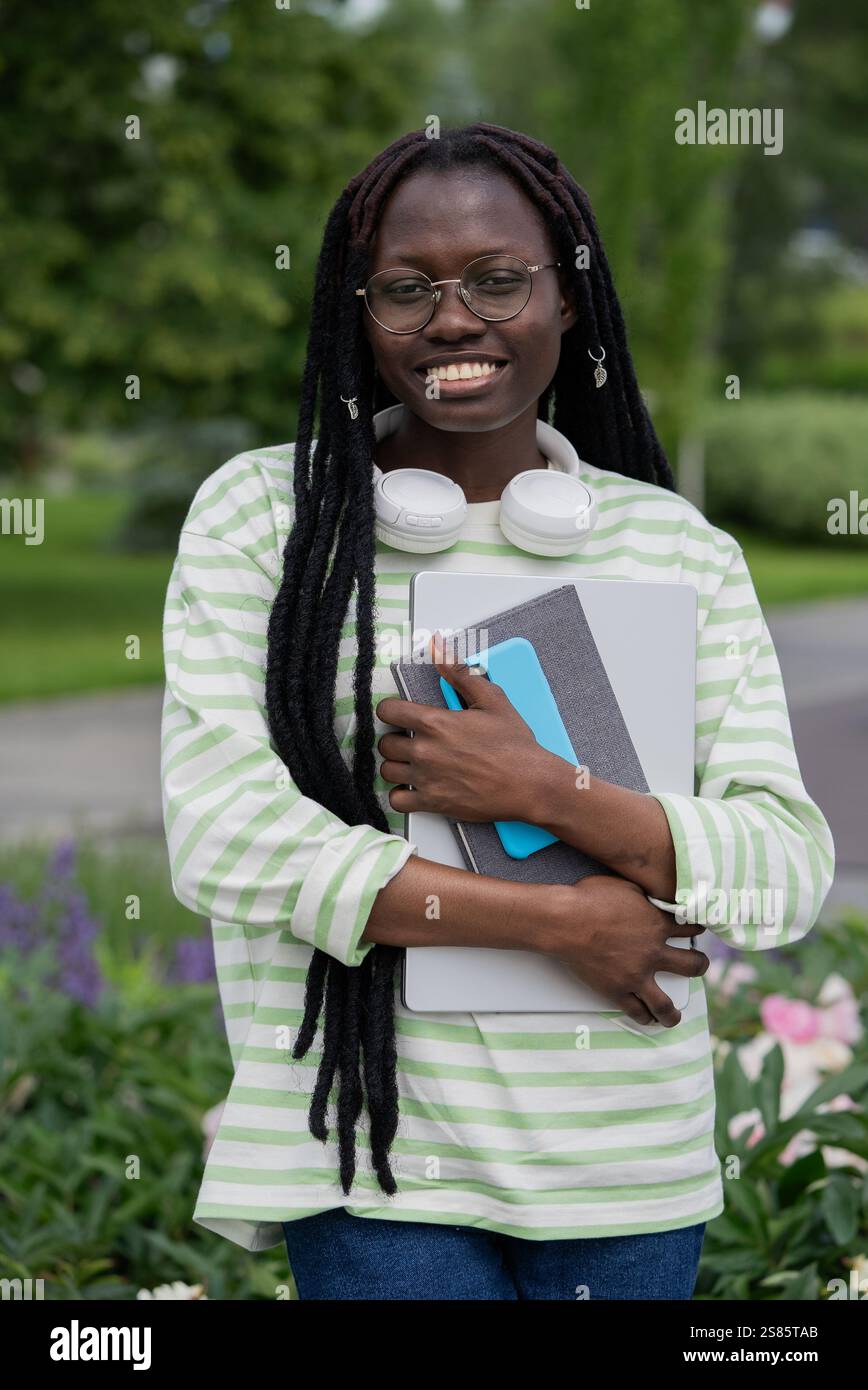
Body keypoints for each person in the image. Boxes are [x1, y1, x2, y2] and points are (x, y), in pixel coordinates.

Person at [160, 123, 835, 1300]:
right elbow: (225, 832)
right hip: (374, 1162)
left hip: (628, 1164)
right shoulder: (261, 522)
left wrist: (539, 790)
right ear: (356, 314)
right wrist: (560, 923)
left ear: (567, 299)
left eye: (496, 279)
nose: (452, 319)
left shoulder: (675, 548)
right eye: (405, 288)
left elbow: (783, 863)